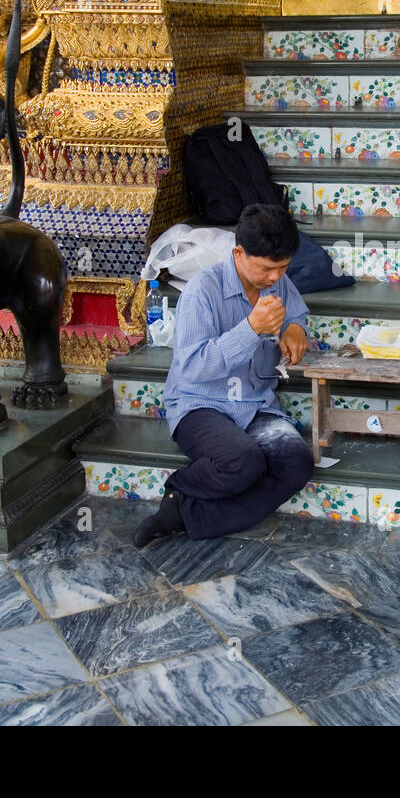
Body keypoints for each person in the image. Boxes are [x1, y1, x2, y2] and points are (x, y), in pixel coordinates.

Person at [133, 204, 313, 547]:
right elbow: (194, 368)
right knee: (243, 462)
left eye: (283, 268)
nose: (275, 277)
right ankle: (182, 487)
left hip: (255, 402)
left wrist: (294, 329)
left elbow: (298, 313)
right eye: (265, 268)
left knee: (297, 463)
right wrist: (250, 329)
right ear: (239, 253)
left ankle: (186, 515)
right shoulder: (202, 291)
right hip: (201, 405)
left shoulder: (278, 282)